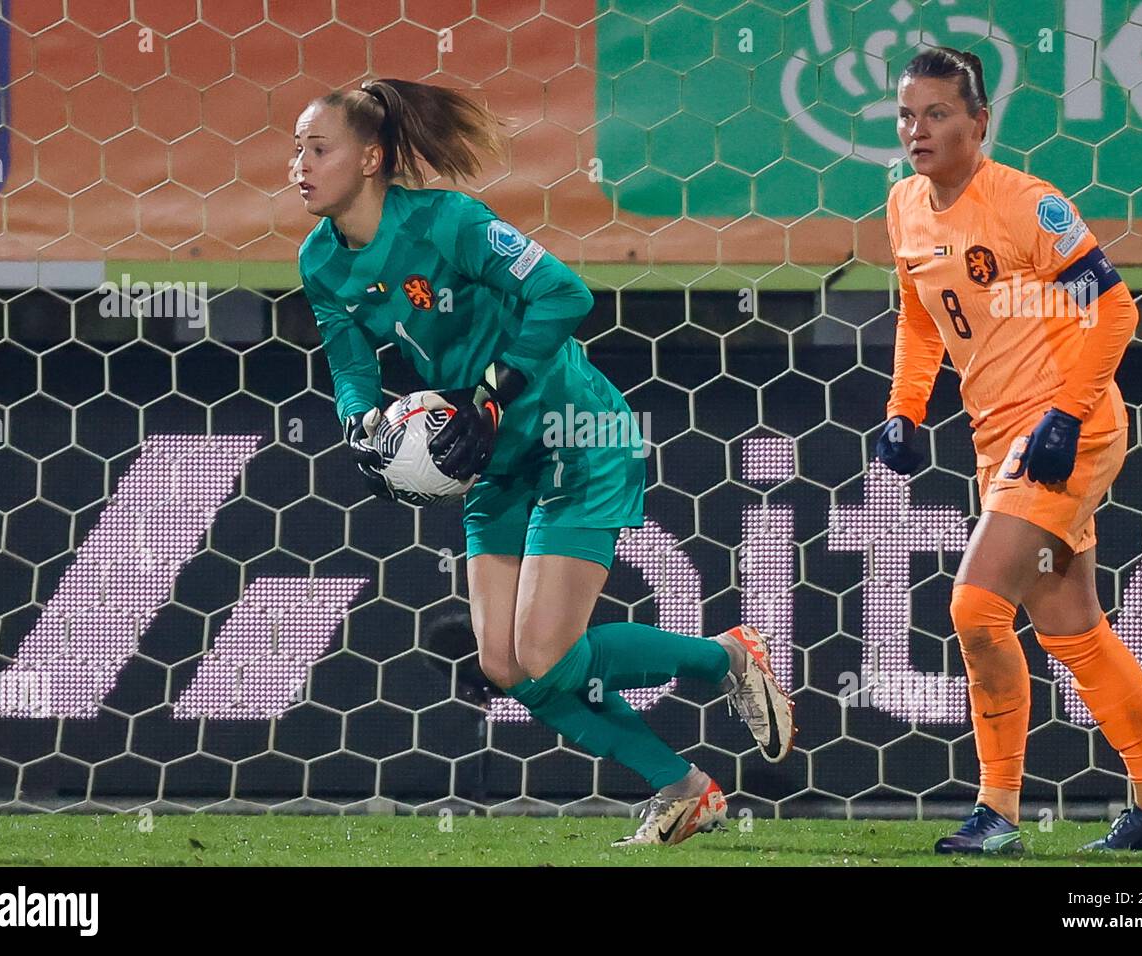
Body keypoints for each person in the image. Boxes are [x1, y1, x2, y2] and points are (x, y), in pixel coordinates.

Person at [293, 78, 795, 846]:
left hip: (573, 433)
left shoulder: (450, 223)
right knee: (505, 663)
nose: (299, 162)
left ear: (371, 158)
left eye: (317, 147)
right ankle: (684, 787)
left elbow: (564, 294)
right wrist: (361, 426)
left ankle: (724, 658)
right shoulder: (321, 259)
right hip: (489, 460)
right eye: (296, 147)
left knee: (545, 652)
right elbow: (350, 360)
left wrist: (491, 394)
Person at [877, 48, 1142, 853]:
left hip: (1069, 426)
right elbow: (920, 316)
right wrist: (904, 408)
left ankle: (998, 812)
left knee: (975, 608)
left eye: (938, 114)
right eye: (908, 115)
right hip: (997, 435)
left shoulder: (1029, 204)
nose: (919, 131)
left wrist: (1063, 415)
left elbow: (1116, 311)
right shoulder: (904, 207)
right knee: (1069, 627)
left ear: (979, 122)